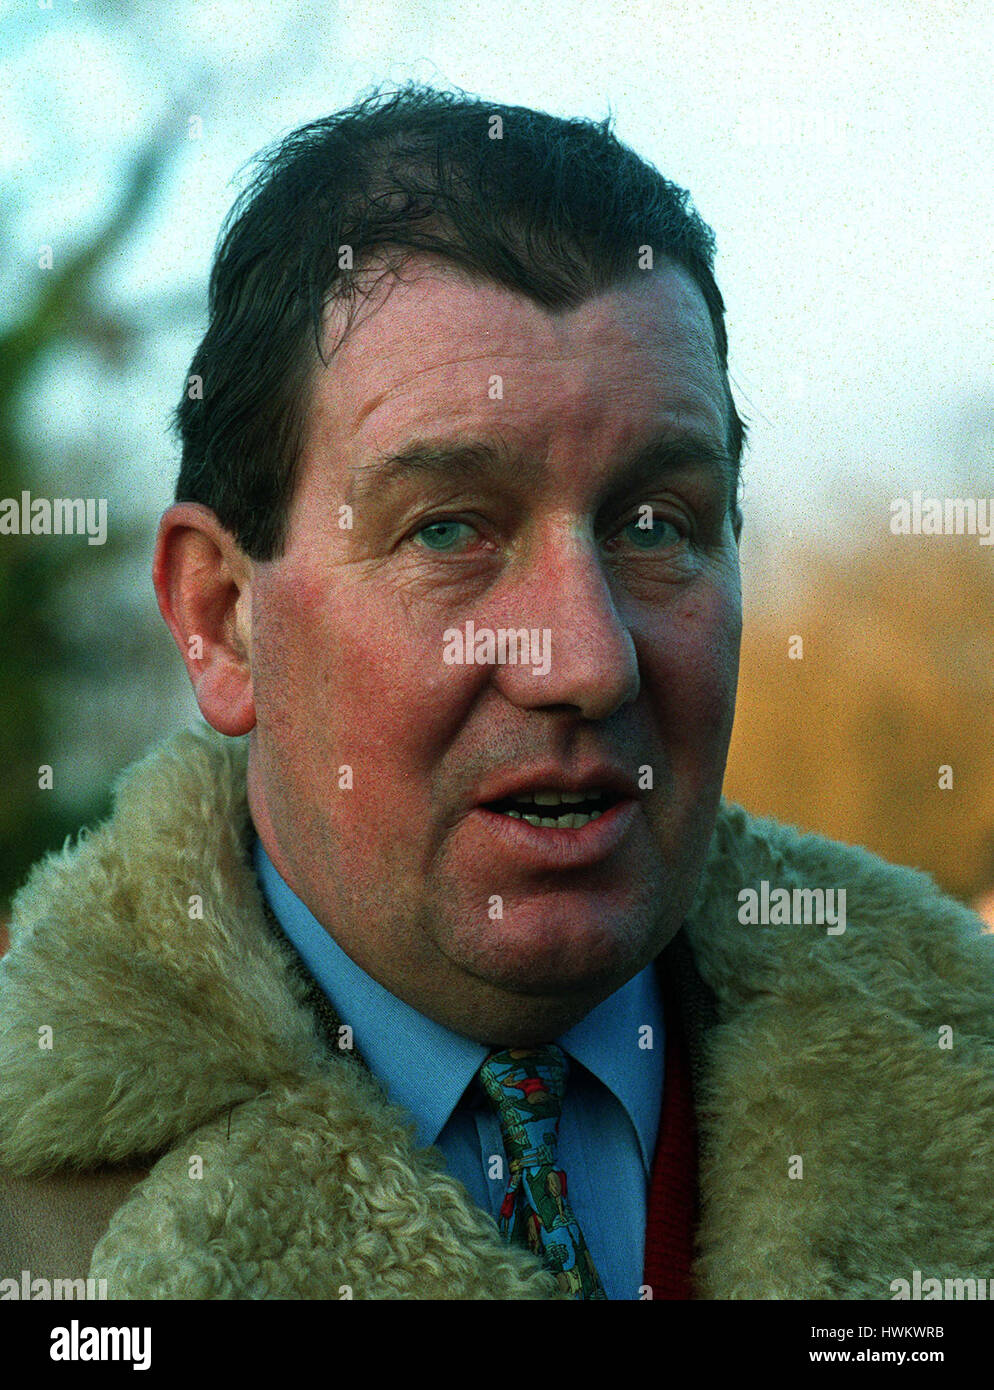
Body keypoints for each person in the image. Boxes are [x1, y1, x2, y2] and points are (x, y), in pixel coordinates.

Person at [2, 84, 992, 1302]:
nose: (584, 659)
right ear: (221, 618)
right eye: (449, 529)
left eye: (652, 524)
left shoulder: (966, 1080)